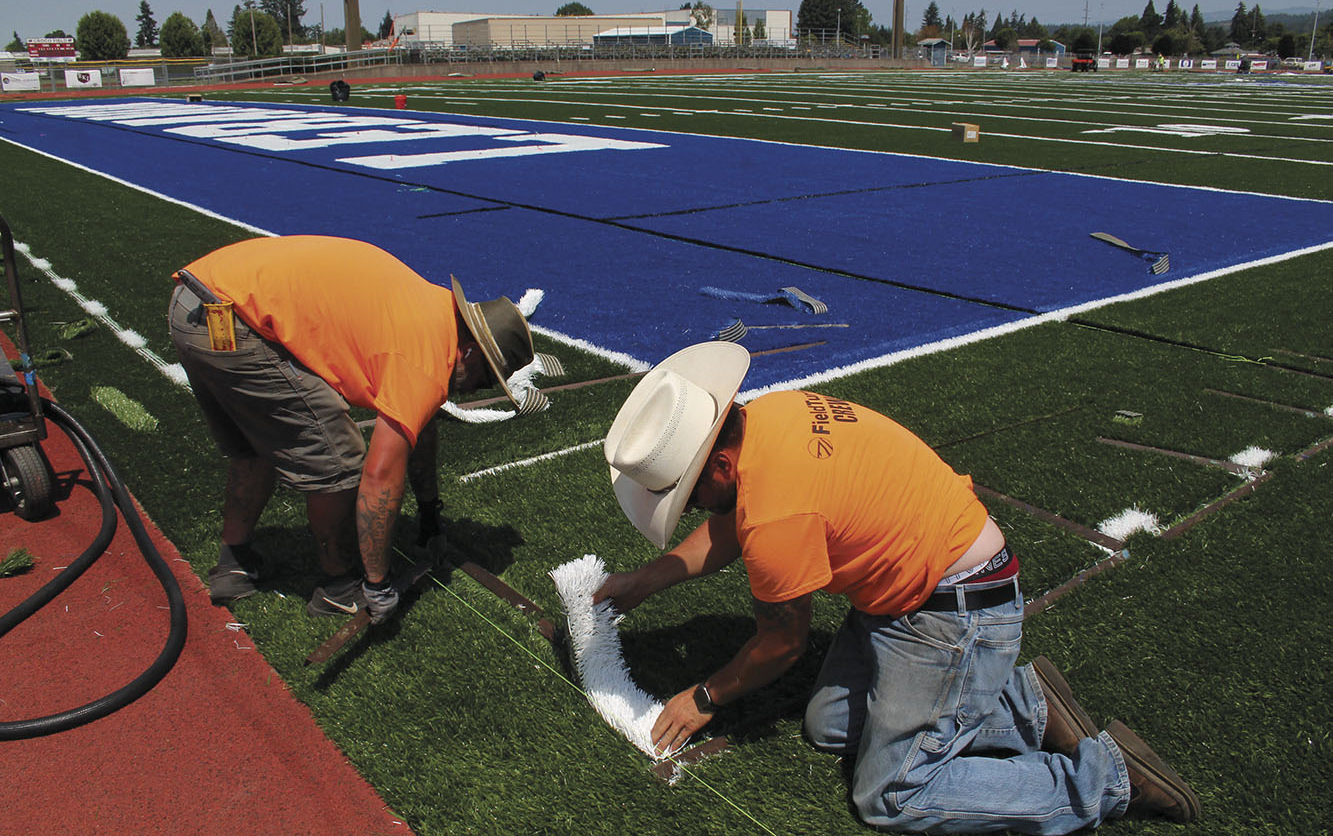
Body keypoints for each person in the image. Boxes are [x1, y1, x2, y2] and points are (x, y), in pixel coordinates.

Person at [594, 341, 1201, 833]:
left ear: (719, 466)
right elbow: (732, 520)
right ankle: (1026, 705)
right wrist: (650, 579)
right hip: (911, 589)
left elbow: (780, 645)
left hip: (956, 609)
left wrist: (701, 698)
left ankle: (1109, 779)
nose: (697, 510)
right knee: (829, 726)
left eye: (691, 495)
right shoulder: (770, 416)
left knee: (891, 795)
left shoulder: (776, 516)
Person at [168, 234, 546, 624]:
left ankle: (234, 564)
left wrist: (430, 510)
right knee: (341, 461)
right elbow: (380, 476)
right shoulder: (426, 361)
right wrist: (379, 582)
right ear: (470, 351)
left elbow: (421, 425)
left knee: (257, 446)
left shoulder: (434, 312)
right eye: (486, 379)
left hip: (196, 304)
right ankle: (338, 587)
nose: (472, 390)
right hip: (238, 322)